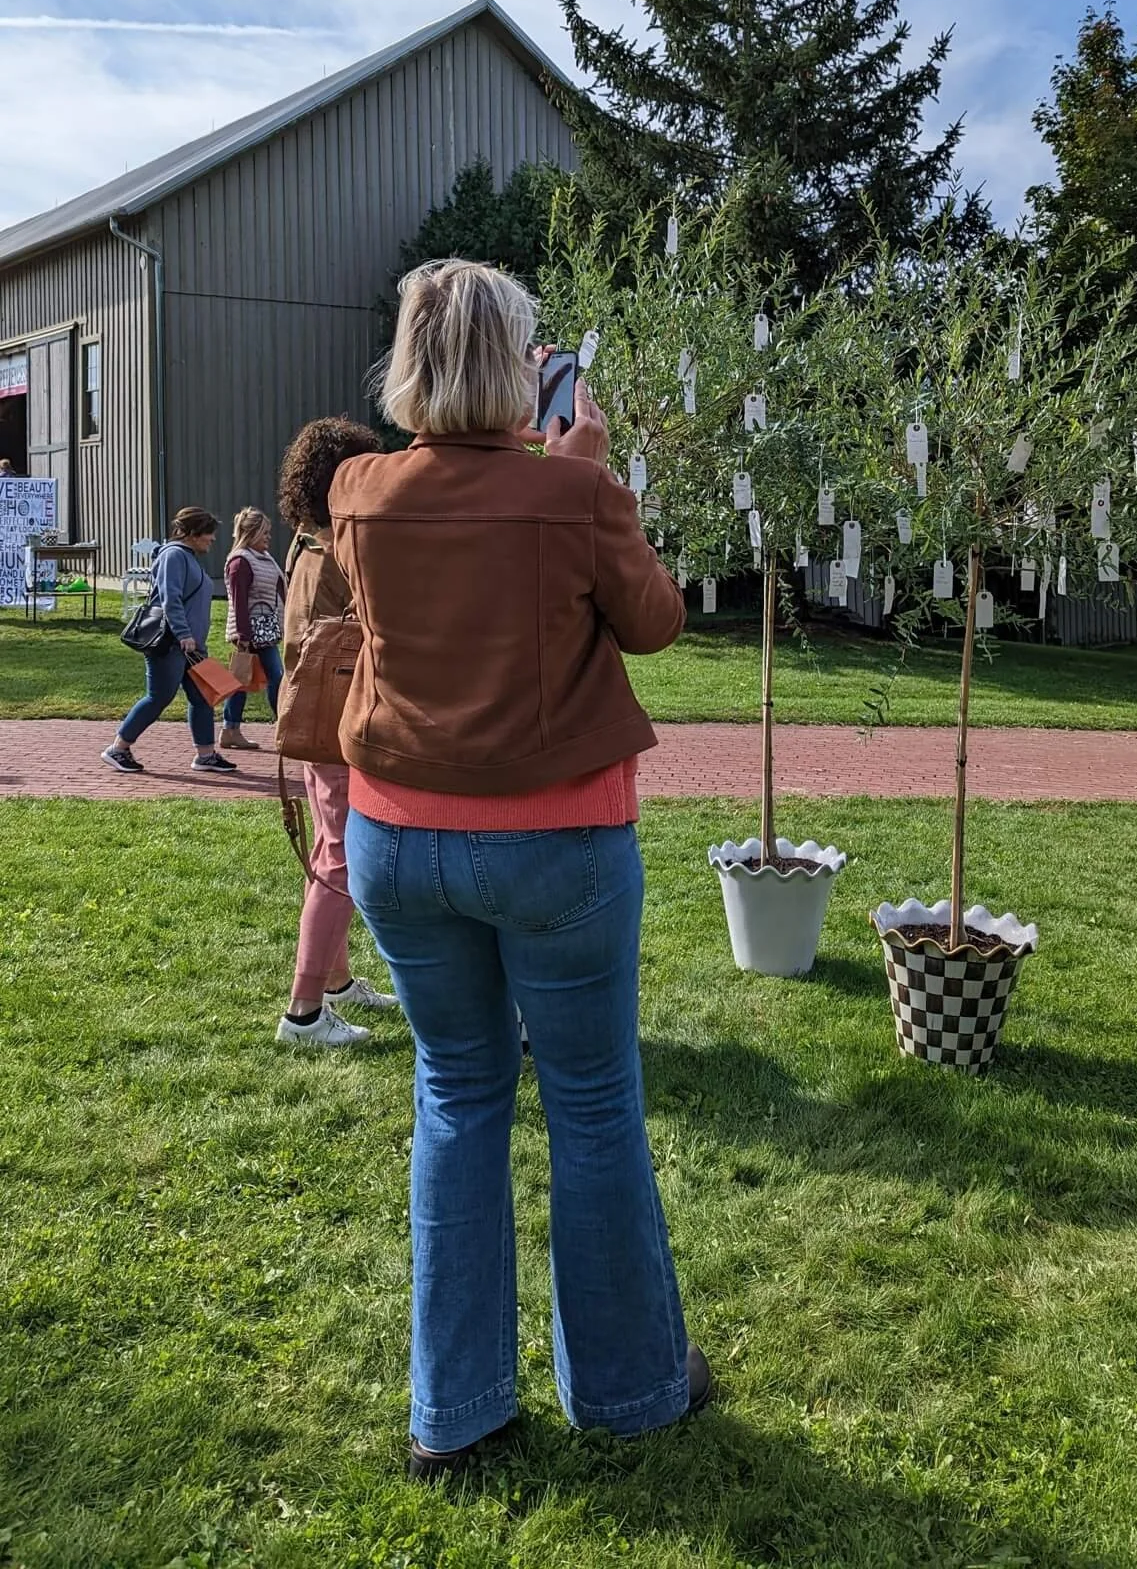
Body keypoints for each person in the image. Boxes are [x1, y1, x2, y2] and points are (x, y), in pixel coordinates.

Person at [331, 257, 711, 1480]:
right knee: (593, 1101)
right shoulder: (572, 491)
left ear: (409, 362)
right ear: (519, 364)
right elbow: (654, 621)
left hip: (400, 834)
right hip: (558, 836)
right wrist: (594, 472)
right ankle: (632, 1389)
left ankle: (457, 1409)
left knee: (456, 1094)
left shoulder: (356, 491)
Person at [273, 419, 401, 1049]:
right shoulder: (339, 551)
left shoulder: (305, 547)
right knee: (339, 861)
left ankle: (334, 983)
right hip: (338, 722)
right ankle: (302, 1010)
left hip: (313, 714)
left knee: (328, 852)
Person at [102, 507, 236, 775]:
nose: (212, 539)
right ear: (194, 533)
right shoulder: (174, 556)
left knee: (202, 698)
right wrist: (184, 633)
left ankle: (206, 755)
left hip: (189, 647)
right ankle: (118, 748)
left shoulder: (187, 556)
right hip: (172, 644)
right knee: (159, 697)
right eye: (209, 533)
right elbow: (170, 598)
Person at [220, 505, 286, 750]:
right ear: (253, 533)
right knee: (275, 678)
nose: (269, 537)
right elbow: (239, 603)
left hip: (266, 629)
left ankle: (230, 728)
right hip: (252, 633)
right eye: (265, 532)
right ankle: (283, 725)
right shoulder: (240, 562)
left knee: (241, 680)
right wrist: (243, 636)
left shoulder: (264, 558)